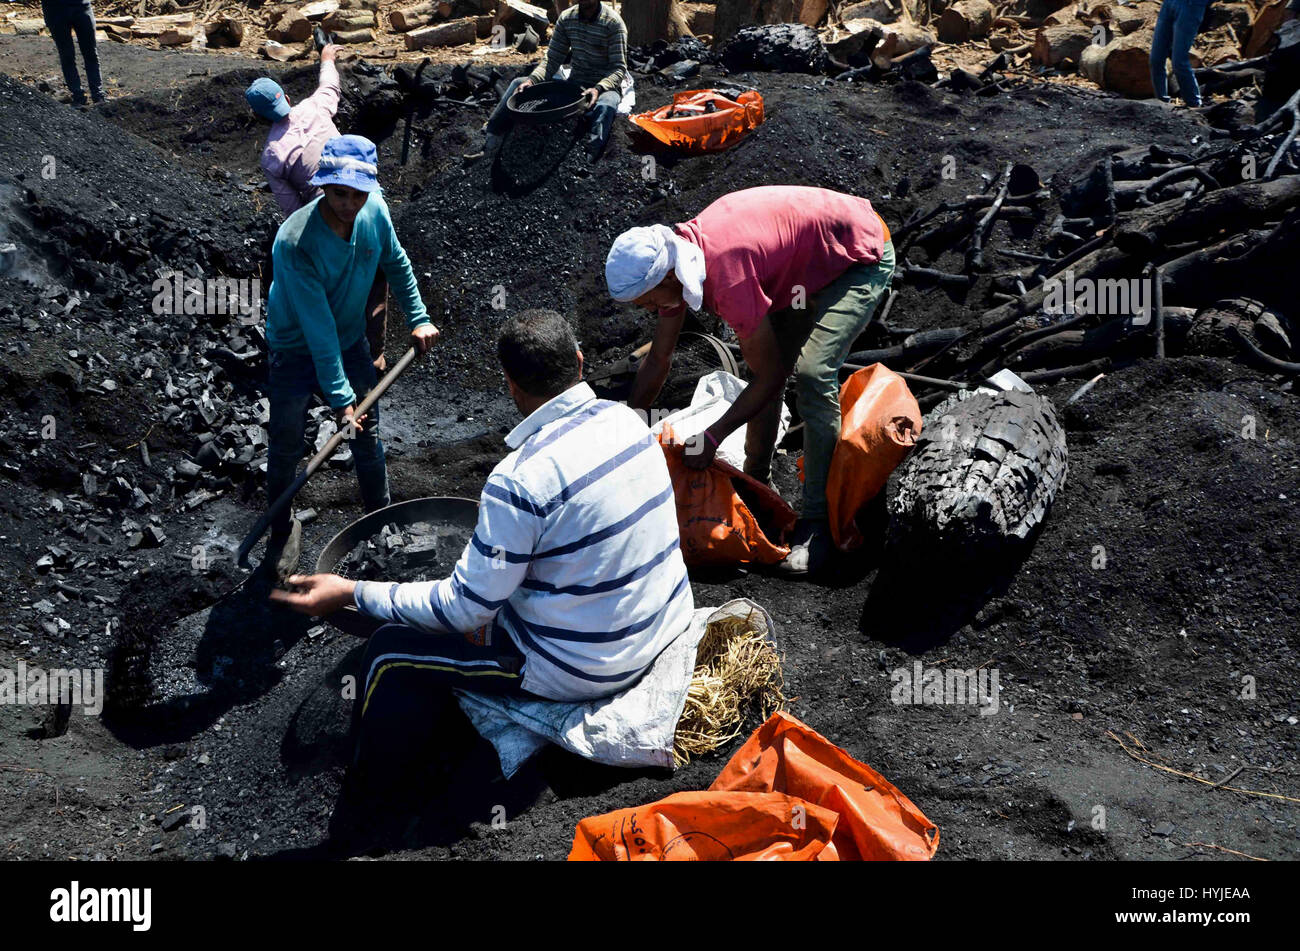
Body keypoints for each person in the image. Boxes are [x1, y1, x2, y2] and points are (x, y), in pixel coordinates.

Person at [271, 309, 694, 789]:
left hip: (588, 667)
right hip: (663, 620)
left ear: (512, 387)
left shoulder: (520, 479)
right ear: (579, 362)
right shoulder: (629, 421)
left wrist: (351, 591)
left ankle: (373, 799)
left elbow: (463, 611)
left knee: (388, 651)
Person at [605, 185, 896, 576]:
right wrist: (628, 434)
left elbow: (772, 375)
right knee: (768, 360)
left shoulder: (728, 277)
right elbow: (659, 358)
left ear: (667, 274)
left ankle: (817, 525)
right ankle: (758, 484)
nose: (649, 309)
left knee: (810, 375)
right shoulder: (682, 264)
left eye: (648, 300)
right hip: (796, 272)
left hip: (857, 252)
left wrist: (713, 436)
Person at [263, 135, 439, 578]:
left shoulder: (375, 213)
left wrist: (418, 317)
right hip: (294, 346)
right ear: (323, 186)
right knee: (286, 441)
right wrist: (340, 398)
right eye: (339, 192)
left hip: (348, 336)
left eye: (358, 193)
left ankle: (380, 520)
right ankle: (279, 530)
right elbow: (316, 328)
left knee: (367, 434)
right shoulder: (295, 242)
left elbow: (396, 263)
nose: (348, 203)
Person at [246, 46, 390, 372]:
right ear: (284, 95)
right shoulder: (315, 107)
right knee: (377, 276)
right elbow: (330, 84)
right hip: (367, 200)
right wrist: (327, 57)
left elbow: (293, 210)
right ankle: (376, 357)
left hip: (330, 220)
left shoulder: (272, 156)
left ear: (257, 115)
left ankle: (334, 360)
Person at [465, 0, 628, 162]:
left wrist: (599, 88)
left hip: (604, 86)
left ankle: (589, 157)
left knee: (606, 106)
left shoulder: (613, 23)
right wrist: (532, 80)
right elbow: (552, 59)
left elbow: (618, 68)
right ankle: (490, 139)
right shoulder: (567, 18)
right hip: (576, 83)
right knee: (518, 85)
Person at [41, 0, 105, 106]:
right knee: (67, 56)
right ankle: (78, 96)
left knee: (90, 53)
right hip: (55, 10)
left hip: (81, 7)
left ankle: (98, 96)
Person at [1150, 0, 1211, 107]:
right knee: (1156, 59)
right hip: (1169, 4)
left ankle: (1194, 105)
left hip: (1191, 6)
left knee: (1179, 62)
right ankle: (1161, 103)